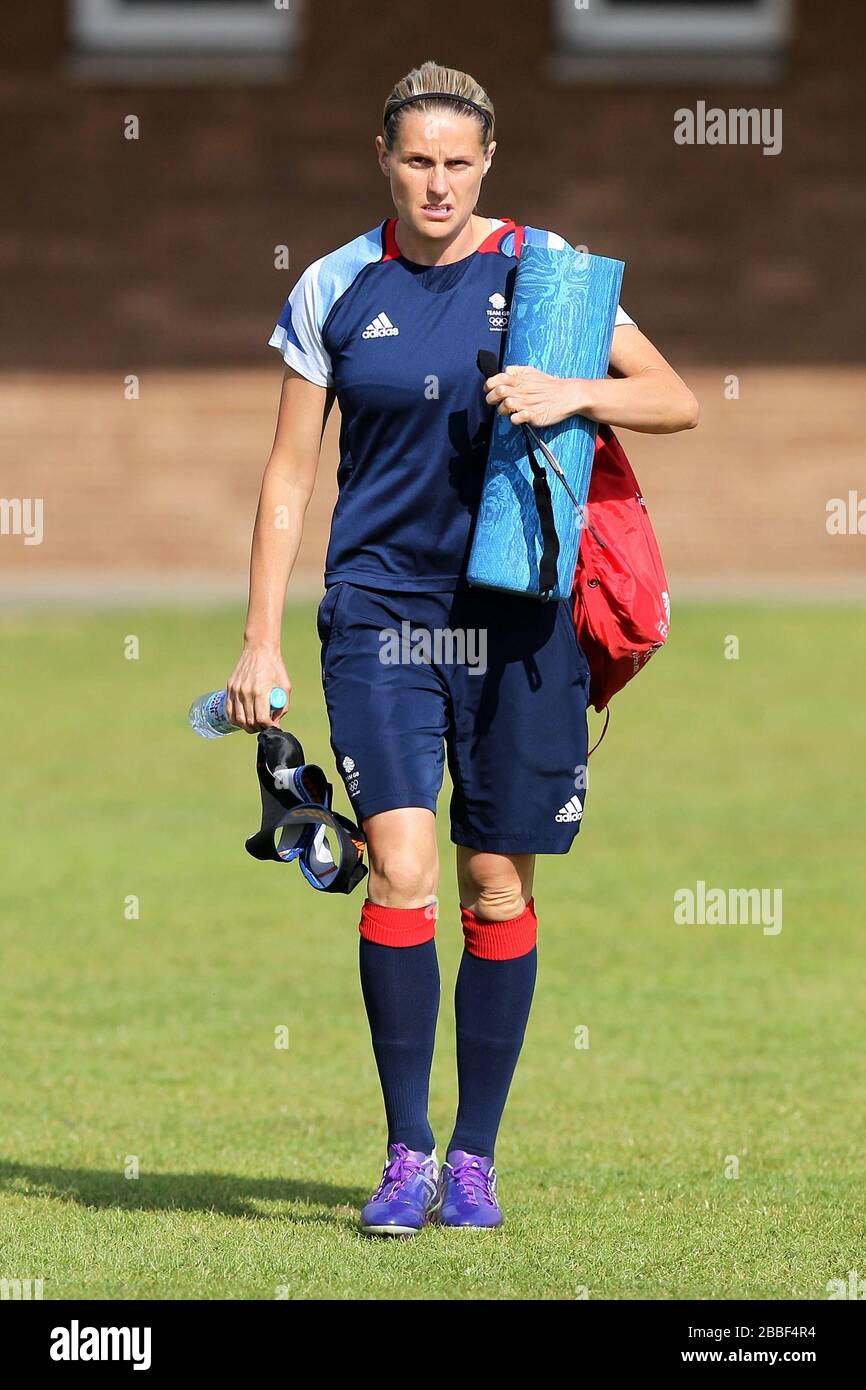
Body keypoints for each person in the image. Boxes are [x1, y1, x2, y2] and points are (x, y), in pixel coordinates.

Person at [227, 59, 698, 1236]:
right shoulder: (334, 282)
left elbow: (677, 398)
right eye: (415, 160)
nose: (436, 182)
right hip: (381, 613)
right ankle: (403, 1155)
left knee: (494, 886)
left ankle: (473, 1161)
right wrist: (256, 638)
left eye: (457, 161)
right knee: (399, 870)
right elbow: (287, 475)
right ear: (382, 161)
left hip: (517, 611)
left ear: (486, 163)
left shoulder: (545, 272)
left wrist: (570, 392)